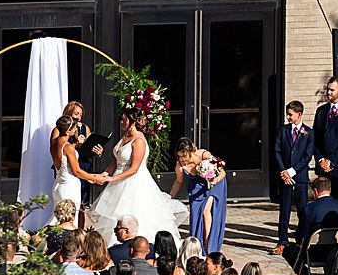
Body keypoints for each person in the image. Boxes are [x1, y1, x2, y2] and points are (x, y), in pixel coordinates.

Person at [92, 108, 179, 250]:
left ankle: (137, 247)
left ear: (132, 122)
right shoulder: (124, 137)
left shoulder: (139, 140)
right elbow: (116, 161)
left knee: (133, 211)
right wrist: (103, 175)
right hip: (118, 181)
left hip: (133, 182)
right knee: (113, 216)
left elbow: (134, 168)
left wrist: (113, 179)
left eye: (124, 120)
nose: (121, 122)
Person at [170, 137, 227, 255]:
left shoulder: (204, 156)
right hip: (196, 189)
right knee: (196, 216)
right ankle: (198, 245)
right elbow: (178, 182)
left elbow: (222, 173)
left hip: (214, 185)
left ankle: (208, 246)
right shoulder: (179, 166)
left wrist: (215, 180)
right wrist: (170, 196)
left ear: (191, 152)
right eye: (179, 156)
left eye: (184, 156)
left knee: (206, 211)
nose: (182, 159)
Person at [272, 100, 314, 255]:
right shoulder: (282, 131)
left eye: (290, 115)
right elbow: (276, 151)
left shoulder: (309, 133)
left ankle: (302, 240)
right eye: (287, 114)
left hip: (300, 177)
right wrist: (283, 172)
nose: (288, 117)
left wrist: (292, 171)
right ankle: (282, 241)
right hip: (285, 177)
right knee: (284, 210)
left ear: (299, 114)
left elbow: (307, 155)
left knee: (302, 210)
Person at [288, 177, 338, 275]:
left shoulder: (310, 208)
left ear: (315, 191)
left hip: (315, 253)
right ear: (330, 189)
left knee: (288, 250)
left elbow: (300, 236)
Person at [50, 114, 110, 221]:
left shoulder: (55, 143)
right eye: (73, 127)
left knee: (58, 221)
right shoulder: (68, 147)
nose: (76, 128)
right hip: (69, 187)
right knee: (69, 221)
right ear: (68, 132)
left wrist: (76, 144)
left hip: (58, 185)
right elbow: (76, 171)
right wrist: (96, 178)